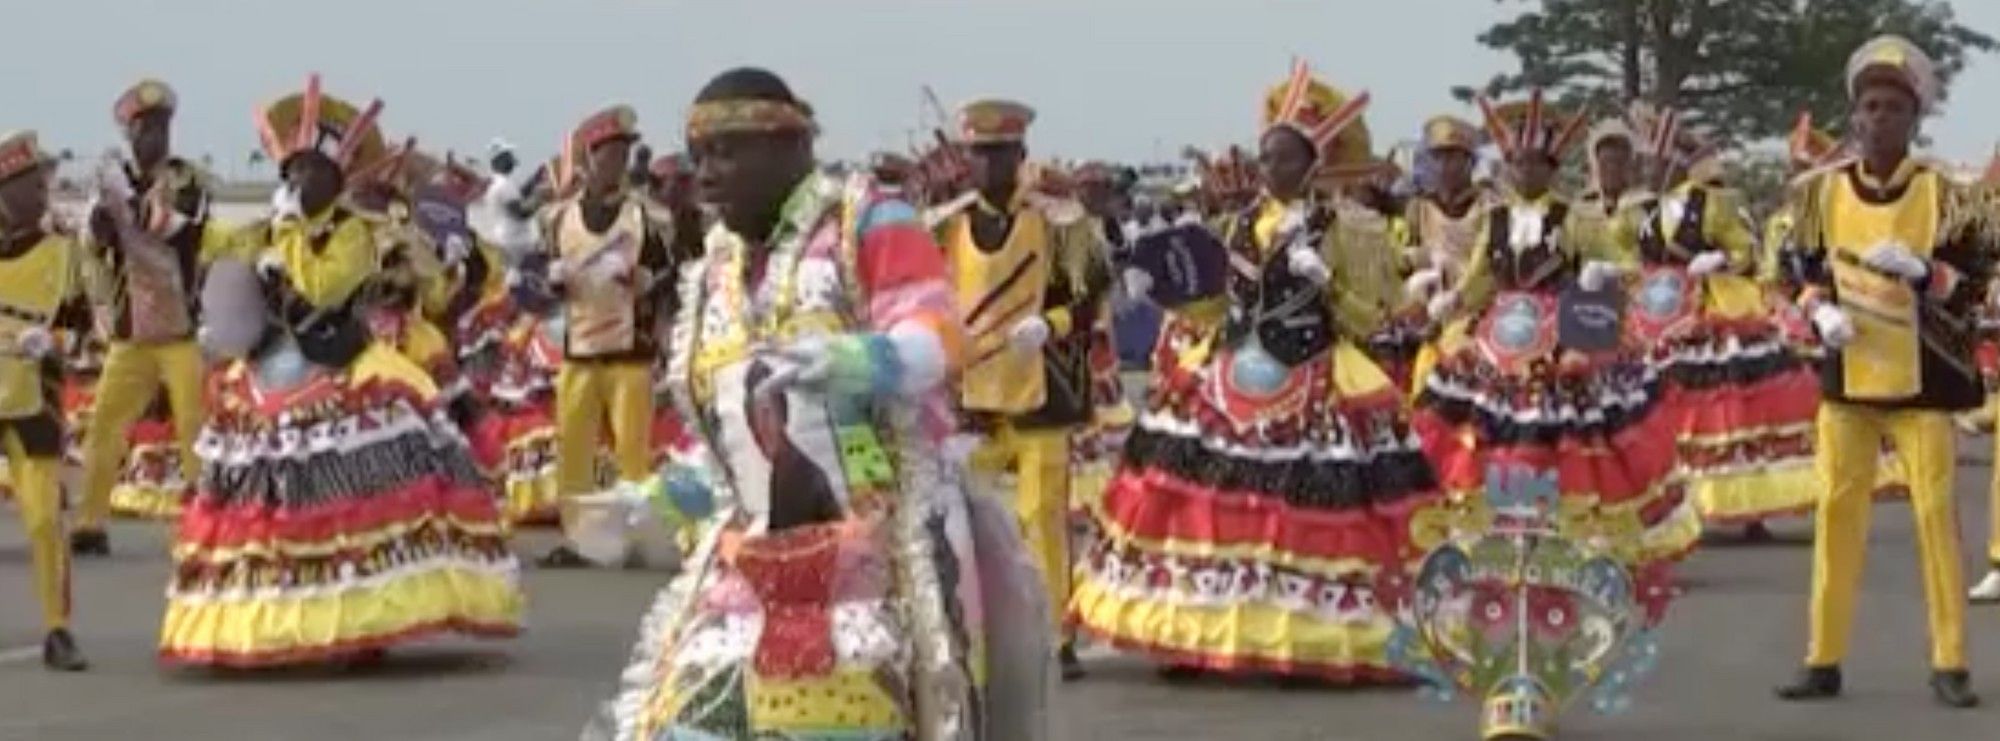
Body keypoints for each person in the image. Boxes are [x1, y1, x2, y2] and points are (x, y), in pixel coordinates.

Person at [586, 66, 1044, 741]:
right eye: (700, 154)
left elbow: (937, 335)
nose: (706, 173)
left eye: (727, 151)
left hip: (870, 562)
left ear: (791, 145)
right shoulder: (716, 265)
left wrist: (861, 360)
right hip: (745, 569)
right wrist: (653, 497)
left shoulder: (871, 222)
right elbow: (735, 447)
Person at [1071, 61, 1440, 684]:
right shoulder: (1236, 224)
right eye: (1266, 157)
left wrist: (1327, 287)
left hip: (1316, 371)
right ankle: (1194, 633)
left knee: (1304, 506)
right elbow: (1218, 306)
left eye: (1285, 158)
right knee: (1207, 502)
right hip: (1231, 370)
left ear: (1312, 165)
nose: (1271, 169)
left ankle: (1303, 636)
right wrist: (1162, 291)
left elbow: (1368, 320)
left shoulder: (1349, 229)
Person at [160, 75, 523, 668]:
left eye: (311, 172)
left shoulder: (363, 232)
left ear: (338, 179)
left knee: (361, 481)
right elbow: (220, 270)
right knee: (263, 494)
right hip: (275, 366)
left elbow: (327, 289)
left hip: (346, 360)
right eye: (292, 171)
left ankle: (366, 616)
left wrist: (288, 254)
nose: (298, 182)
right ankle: (275, 614)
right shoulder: (268, 230)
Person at [1772, 36, 1994, 709]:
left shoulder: (1944, 196)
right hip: (1847, 377)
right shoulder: (1818, 195)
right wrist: (1816, 310)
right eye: (1870, 106)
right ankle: (1823, 656)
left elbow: (1979, 279)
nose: (1880, 118)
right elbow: (1791, 268)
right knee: (1837, 514)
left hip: (1922, 380)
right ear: (1854, 117)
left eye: (1895, 106)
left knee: (1934, 517)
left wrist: (1930, 273)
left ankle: (1950, 660)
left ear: (1914, 117)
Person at [1415, 89, 1691, 567]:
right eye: (1517, 164)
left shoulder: (1575, 216)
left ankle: (1565, 530)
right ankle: (1499, 530)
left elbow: (1622, 264)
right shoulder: (1495, 217)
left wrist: (1598, 285)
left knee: (1564, 436)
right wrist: (1452, 300)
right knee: (1489, 431)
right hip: (1500, 332)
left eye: (1535, 164)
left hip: (1559, 331)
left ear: (1551, 169)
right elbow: (1481, 273)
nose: (1525, 172)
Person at [930, 98, 1110, 680]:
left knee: (1041, 514)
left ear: (1021, 155)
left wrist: (1051, 324)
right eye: (979, 155)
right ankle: (972, 632)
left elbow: (1092, 301)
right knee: (962, 516)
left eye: (1000, 154)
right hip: (973, 393)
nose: (988, 166)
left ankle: (1057, 633)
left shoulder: (1064, 223)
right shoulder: (946, 224)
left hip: (1043, 390)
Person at [1610, 110, 1821, 543]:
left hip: (1709, 304)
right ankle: (1676, 504)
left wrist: (1720, 260)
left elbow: (1746, 250)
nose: (1652, 165)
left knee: (1724, 409)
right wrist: (1627, 276)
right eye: (1647, 158)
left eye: (1660, 157)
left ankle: (1746, 507)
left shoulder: (1711, 200)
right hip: (1653, 311)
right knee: (1663, 409)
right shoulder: (1637, 209)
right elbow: (1622, 254)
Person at [73, 79, 235, 554]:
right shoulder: (112, 181)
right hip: (130, 333)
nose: (155, 137)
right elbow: (93, 240)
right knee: (104, 425)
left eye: (162, 127)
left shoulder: (186, 181)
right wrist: (103, 221)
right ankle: (89, 522)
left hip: (180, 331)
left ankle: (208, 522)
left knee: (192, 425)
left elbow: (175, 229)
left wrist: (119, 208)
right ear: (130, 134)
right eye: (145, 128)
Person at [536, 105, 674, 567]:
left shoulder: (644, 217)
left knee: (631, 451)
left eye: (622, 153)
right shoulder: (559, 219)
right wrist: (552, 282)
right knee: (573, 448)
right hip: (579, 351)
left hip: (629, 353)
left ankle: (632, 539)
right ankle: (580, 539)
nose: (616, 162)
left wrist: (641, 280)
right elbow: (540, 279)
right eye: (608, 154)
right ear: (588, 159)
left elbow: (669, 274)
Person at [0, 129, 93, 671]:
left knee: (42, 520)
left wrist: (53, 343)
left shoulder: (63, 255)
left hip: (33, 402)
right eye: (31, 186)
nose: (42, 196)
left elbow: (85, 333)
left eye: (44, 185)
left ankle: (57, 628)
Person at [1399, 115, 1496, 397]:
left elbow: (1486, 261)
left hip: (1476, 311)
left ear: (1470, 162)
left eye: (1454, 158)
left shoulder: (1488, 204)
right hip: (1431, 312)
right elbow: (1406, 260)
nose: (1445, 166)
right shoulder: (1419, 207)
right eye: (1438, 158)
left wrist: (1458, 299)